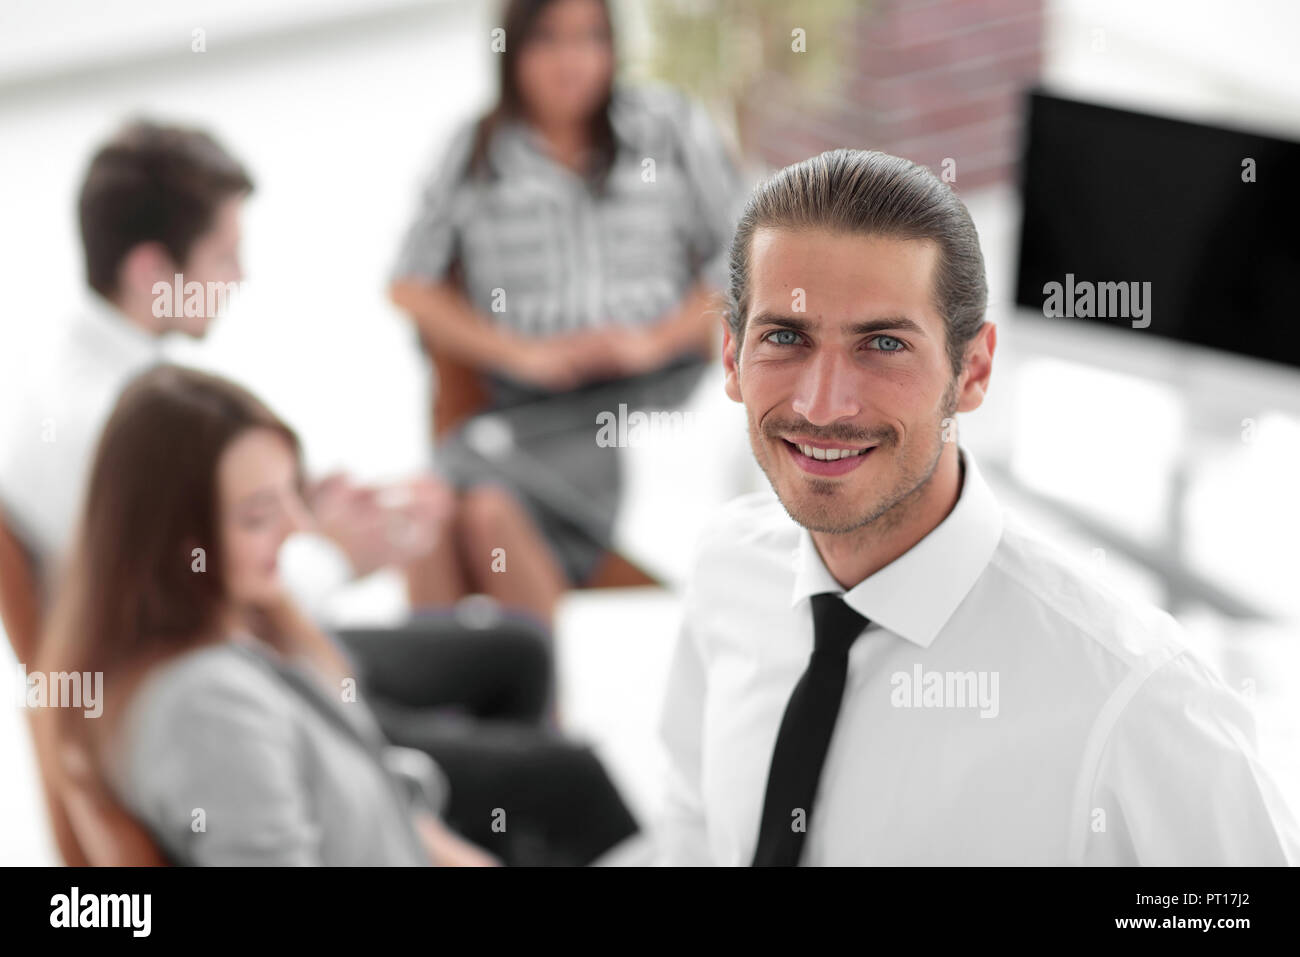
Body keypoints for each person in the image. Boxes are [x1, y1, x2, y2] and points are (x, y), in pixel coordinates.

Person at [1, 119, 639, 866]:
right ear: (151, 270)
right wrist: (335, 553)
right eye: (223, 255)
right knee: (567, 775)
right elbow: (198, 594)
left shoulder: (89, 387)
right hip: (227, 651)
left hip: (232, 644)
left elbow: (191, 555)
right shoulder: (105, 427)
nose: (239, 276)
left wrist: (294, 503)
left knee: (514, 651)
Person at [655, 148, 1300, 866]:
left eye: (883, 344)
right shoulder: (727, 569)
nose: (821, 404)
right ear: (731, 356)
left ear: (975, 370)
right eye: (785, 337)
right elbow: (692, 820)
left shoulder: (1136, 700)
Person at [32, 365, 495, 866]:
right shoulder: (207, 710)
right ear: (179, 544)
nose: (298, 526)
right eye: (258, 515)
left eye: (294, 495)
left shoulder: (243, 630)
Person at [390, 0, 745, 627]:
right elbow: (411, 285)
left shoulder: (667, 127)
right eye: (548, 41)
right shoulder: (475, 152)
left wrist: (655, 340)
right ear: (513, 51)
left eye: (589, 39)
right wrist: (521, 354)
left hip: (655, 398)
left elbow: (751, 253)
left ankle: (535, 706)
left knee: (477, 503)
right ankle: (444, 707)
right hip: (530, 409)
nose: (571, 62)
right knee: (446, 515)